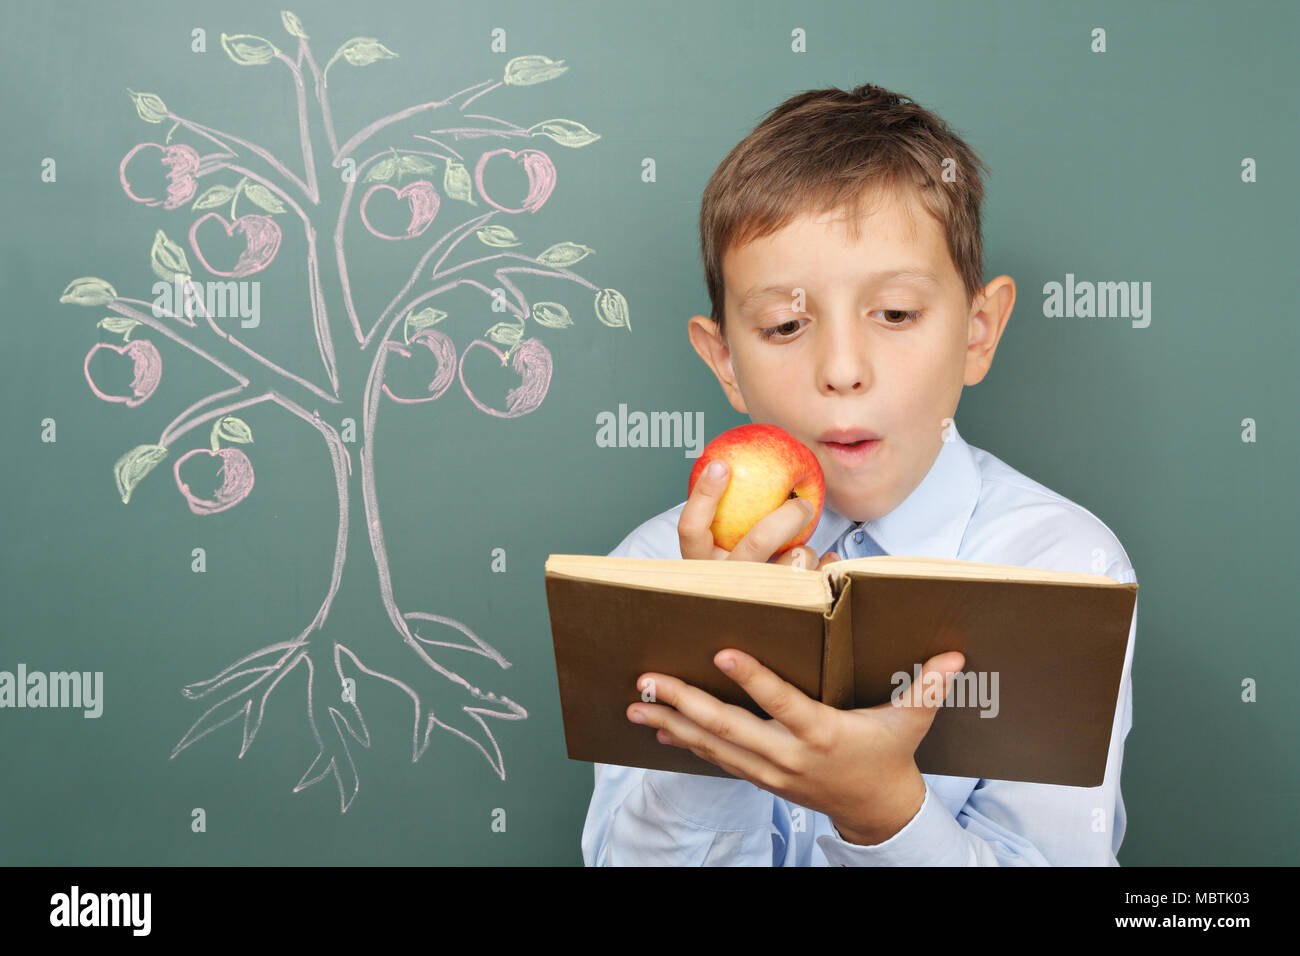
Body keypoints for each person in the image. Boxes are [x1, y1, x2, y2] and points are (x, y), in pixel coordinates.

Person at [580, 83, 1139, 866]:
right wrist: (714, 692)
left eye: (897, 314)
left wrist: (885, 813)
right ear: (724, 362)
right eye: (784, 326)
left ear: (979, 333)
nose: (841, 370)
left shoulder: (1063, 567)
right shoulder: (651, 573)